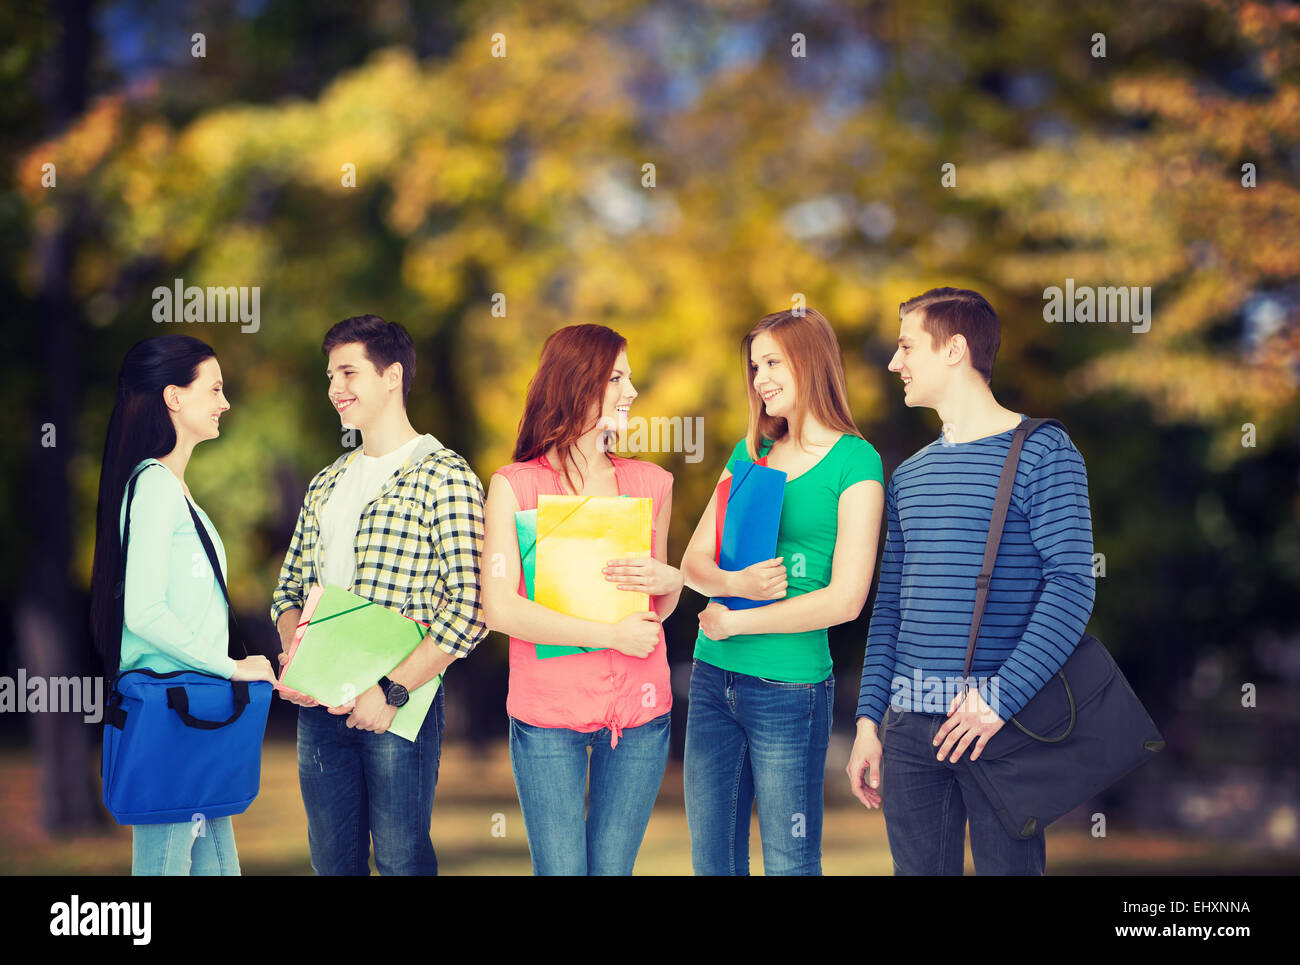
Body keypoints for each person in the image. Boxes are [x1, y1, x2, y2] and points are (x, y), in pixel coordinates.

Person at [847, 287, 1096, 876]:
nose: (894, 362)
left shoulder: (1044, 452)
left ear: (954, 349)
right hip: (908, 732)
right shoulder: (908, 476)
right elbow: (890, 611)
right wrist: (868, 721)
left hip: (999, 727)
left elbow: (1071, 585)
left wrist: (998, 699)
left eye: (907, 346)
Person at [270, 314, 487, 876]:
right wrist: (296, 661)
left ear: (392, 377)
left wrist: (388, 692)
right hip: (319, 709)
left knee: (400, 860)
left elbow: (470, 607)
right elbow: (288, 590)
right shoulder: (327, 481)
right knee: (331, 863)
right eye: (329, 376)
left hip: (400, 706)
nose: (334, 388)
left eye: (348, 372)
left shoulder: (445, 477)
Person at [679, 308, 884, 875]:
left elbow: (847, 599)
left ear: (811, 361)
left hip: (790, 690)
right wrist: (734, 585)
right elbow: (693, 561)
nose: (760, 378)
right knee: (713, 862)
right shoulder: (750, 454)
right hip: (713, 677)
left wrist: (739, 619)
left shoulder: (856, 462)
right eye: (754, 366)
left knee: (791, 863)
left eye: (773, 362)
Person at [481, 324, 681, 875]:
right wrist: (609, 636)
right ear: (578, 383)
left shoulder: (651, 483)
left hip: (640, 712)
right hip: (548, 714)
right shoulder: (515, 486)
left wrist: (672, 583)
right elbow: (499, 609)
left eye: (630, 377)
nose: (632, 391)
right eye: (618, 377)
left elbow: (655, 607)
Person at [89, 335, 277, 876]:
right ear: (174, 397)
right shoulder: (154, 487)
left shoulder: (174, 487)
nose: (224, 401)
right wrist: (232, 666)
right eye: (213, 388)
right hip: (174, 713)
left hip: (192, 715)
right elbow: (144, 613)